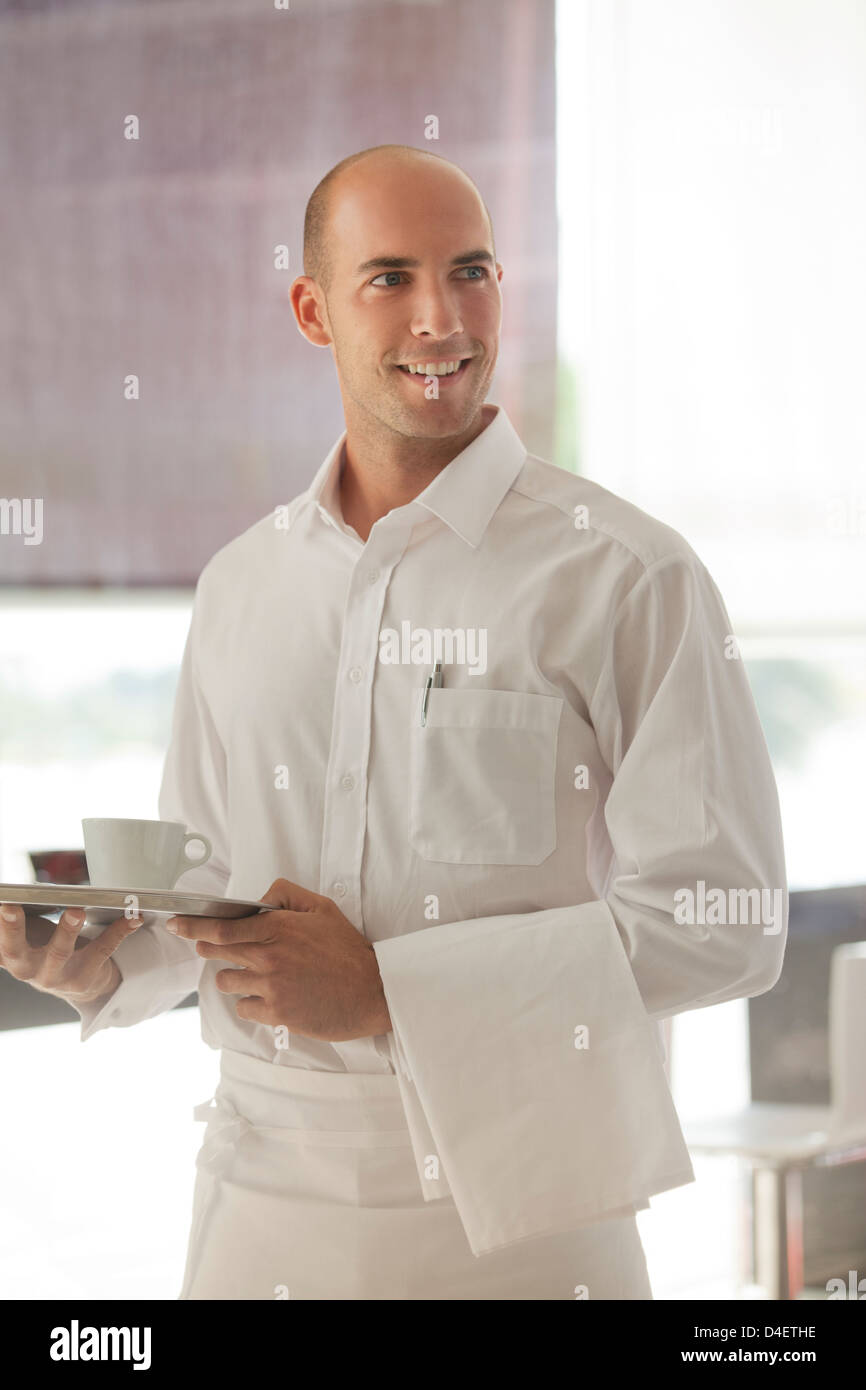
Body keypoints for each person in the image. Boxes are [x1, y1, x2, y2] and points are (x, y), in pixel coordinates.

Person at [0, 144, 787, 1300]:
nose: (441, 316)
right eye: (389, 278)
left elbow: (728, 921)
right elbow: (211, 894)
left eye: (470, 272)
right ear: (311, 309)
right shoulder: (239, 587)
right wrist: (96, 967)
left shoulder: (626, 576)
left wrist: (388, 990)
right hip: (259, 1206)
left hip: (529, 1216)